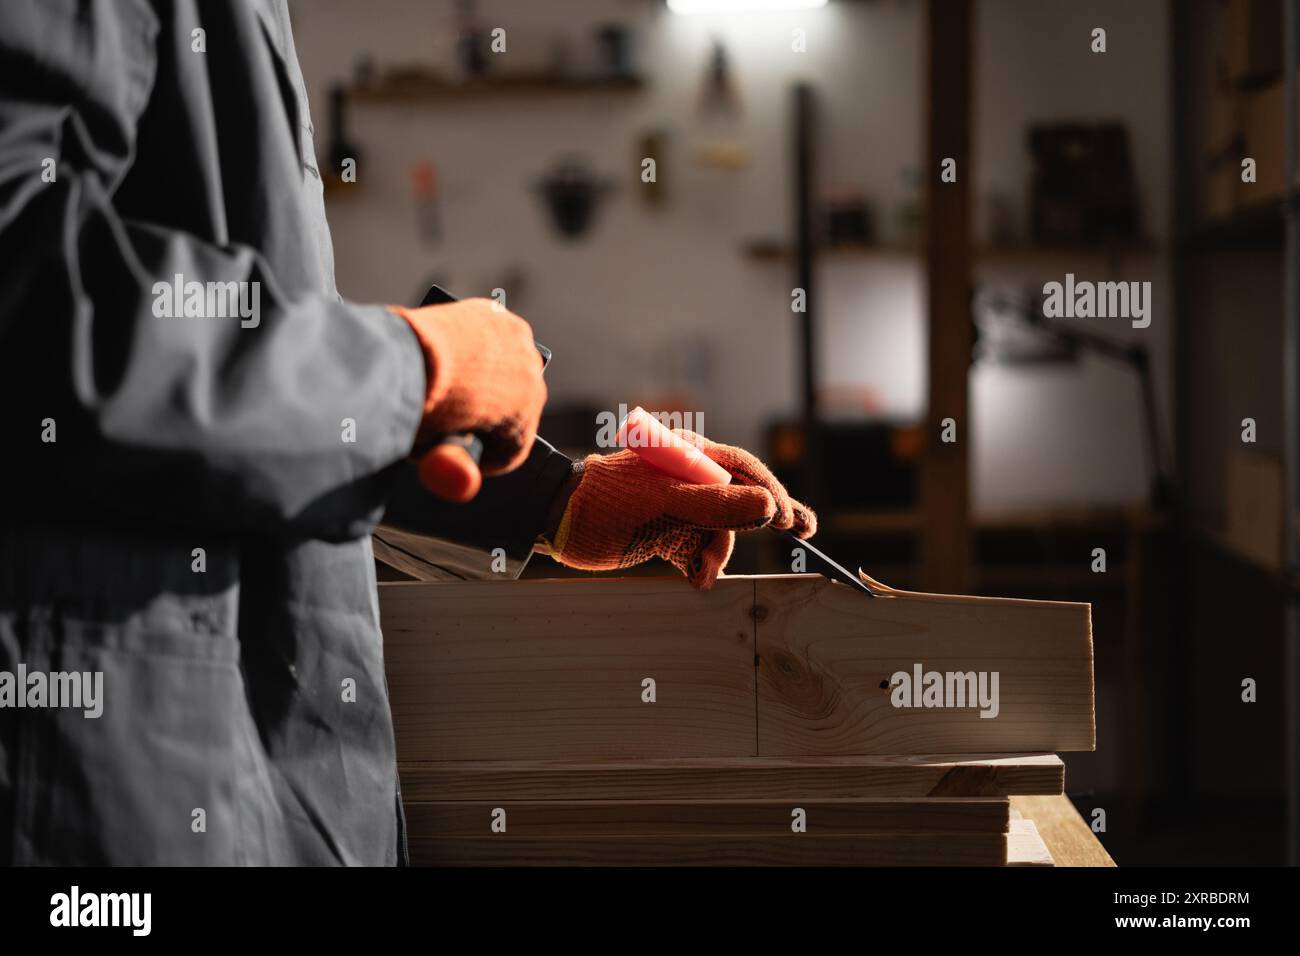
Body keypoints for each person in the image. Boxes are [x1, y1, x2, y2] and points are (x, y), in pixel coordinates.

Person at [0, 0, 814, 865]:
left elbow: (237, 424)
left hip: (256, 777)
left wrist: (553, 502)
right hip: (111, 792)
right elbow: (26, 300)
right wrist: (417, 366)